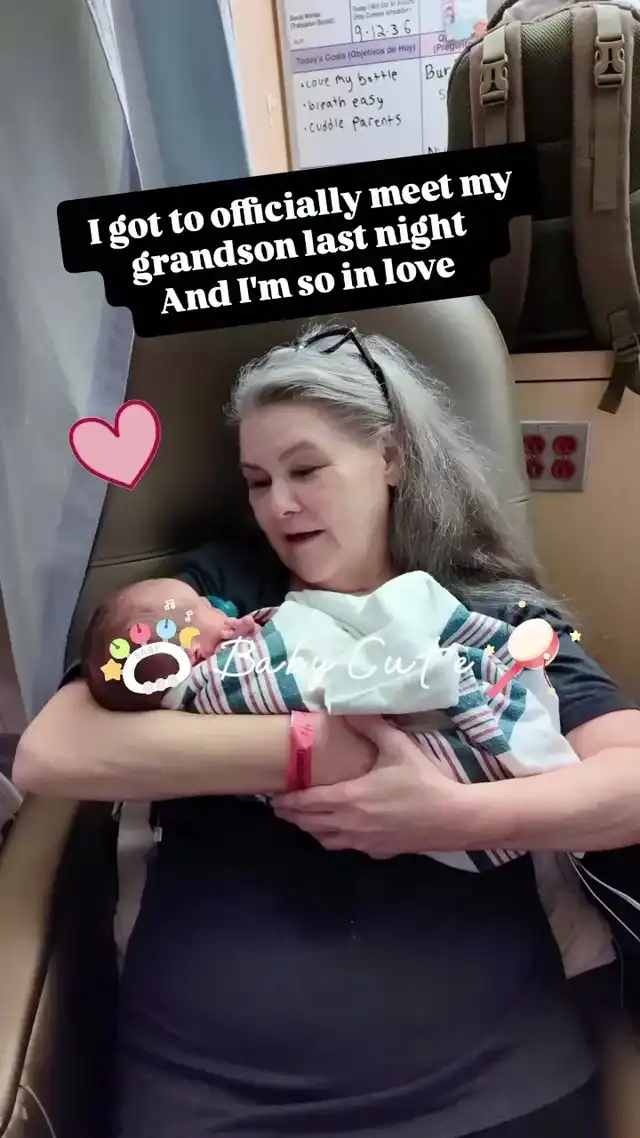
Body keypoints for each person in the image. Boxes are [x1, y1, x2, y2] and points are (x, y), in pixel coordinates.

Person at [14, 323, 640, 1138]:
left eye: (306, 470)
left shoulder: (492, 617)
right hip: (216, 1097)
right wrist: (314, 751)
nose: (279, 504)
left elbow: (629, 780)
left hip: (492, 1088)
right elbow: (53, 751)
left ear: (391, 458)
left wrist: (451, 816)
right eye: (257, 480)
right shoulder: (219, 597)